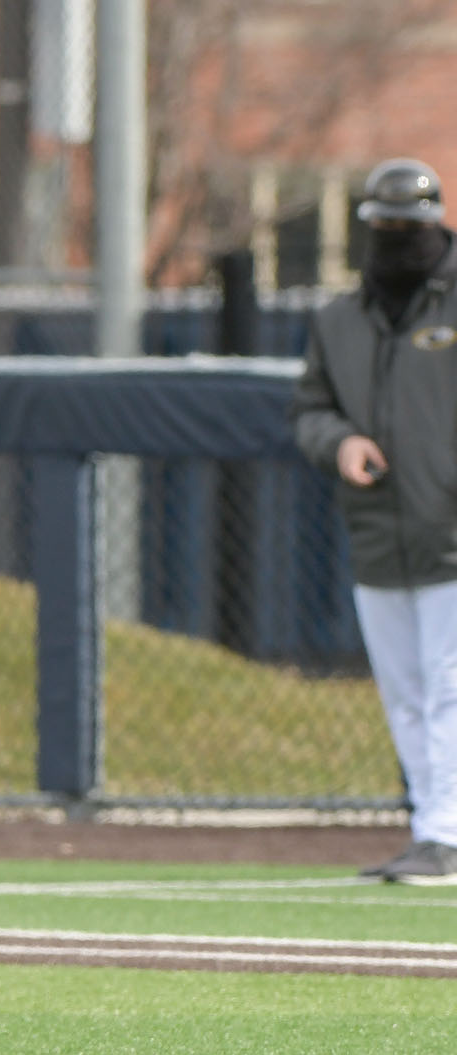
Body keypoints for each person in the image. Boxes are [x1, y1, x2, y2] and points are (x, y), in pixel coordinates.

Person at [292, 157, 457, 886]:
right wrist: (342, 444)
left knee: (449, 685)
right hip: (378, 532)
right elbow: (310, 410)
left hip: (450, 527)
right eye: (385, 224)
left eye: (408, 225)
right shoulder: (339, 320)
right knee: (405, 693)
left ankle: (445, 833)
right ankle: (432, 827)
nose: (397, 236)